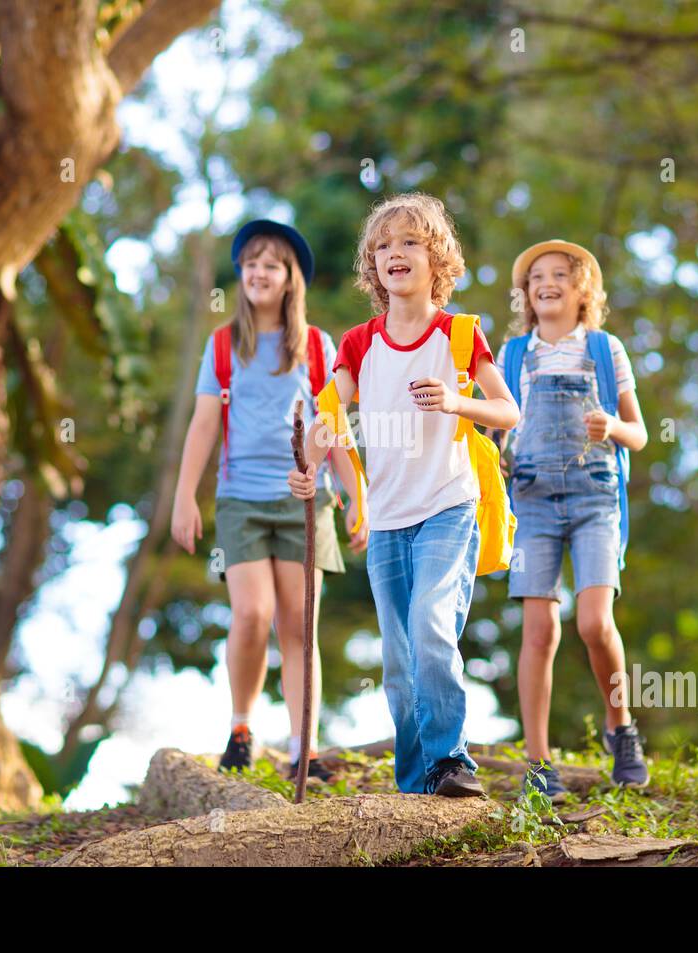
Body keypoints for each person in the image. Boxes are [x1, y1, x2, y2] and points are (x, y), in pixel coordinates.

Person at [288, 193, 519, 797]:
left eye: (411, 241)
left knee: (430, 625)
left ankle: (451, 759)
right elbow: (328, 415)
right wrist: (310, 456)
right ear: (373, 264)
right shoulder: (360, 343)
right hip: (388, 519)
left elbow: (508, 410)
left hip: (448, 504)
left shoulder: (460, 335)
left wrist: (456, 400)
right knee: (397, 663)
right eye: (384, 245)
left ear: (436, 257)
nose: (396, 253)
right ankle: (418, 788)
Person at [171, 219, 367, 782]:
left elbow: (333, 426)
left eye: (272, 265)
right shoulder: (223, 346)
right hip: (241, 500)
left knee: (299, 624)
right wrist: (187, 497)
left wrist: (359, 496)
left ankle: (303, 747)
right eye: (251, 262)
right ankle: (240, 728)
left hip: (306, 501)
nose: (259, 271)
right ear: (242, 274)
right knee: (252, 614)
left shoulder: (315, 345)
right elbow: (205, 423)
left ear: (290, 280)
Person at [495, 240, 650, 800]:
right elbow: (497, 427)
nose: (547, 282)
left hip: (595, 499)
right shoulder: (512, 356)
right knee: (539, 630)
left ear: (583, 289)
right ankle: (539, 764)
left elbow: (640, 433)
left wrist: (611, 425)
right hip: (531, 500)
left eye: (560, 274)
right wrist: (498, 452)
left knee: (592, 622)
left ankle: (620, 727)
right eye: (536, 276)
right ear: (527, 294)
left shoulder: (606, 351)